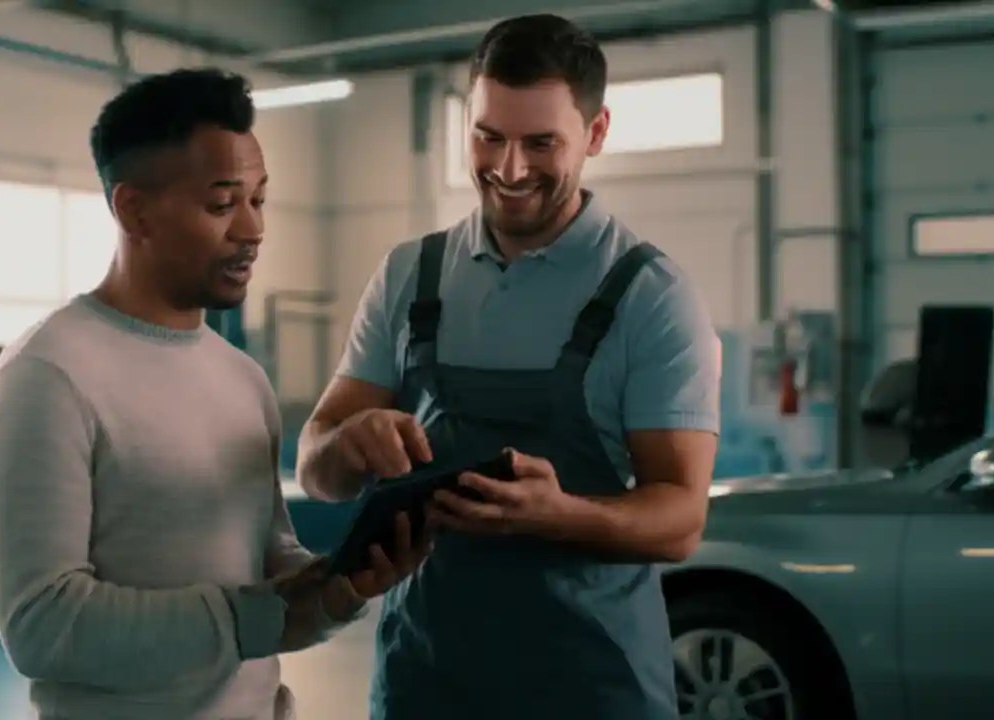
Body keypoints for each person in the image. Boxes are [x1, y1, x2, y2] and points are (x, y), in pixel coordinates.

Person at [0, 68, 430, 720]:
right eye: (222, 204)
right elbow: (44, 627)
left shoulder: (241, 378)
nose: (252, 229)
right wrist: (259, 613)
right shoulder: (46, 377)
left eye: (259, 200)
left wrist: (342, 585)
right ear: (134, 209)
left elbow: (268, 573)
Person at [296, 14, 721, 720]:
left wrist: (560, 515)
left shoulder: (651, 297)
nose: (510, 168)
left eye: (540, 143)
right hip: (424, 682)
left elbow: (679, 518)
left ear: (596, 133)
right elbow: (316, 468)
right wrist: (347, 443)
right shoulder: (411, 275)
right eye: (488, 137)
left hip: (593, 688)